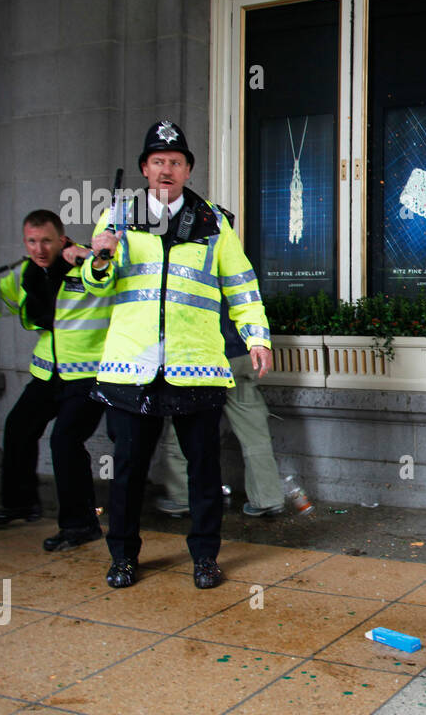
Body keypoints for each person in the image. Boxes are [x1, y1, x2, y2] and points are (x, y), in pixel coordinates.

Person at [84, 120, 271, 590]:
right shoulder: (117, 217)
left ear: (188, 169)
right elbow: (94, 285)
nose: (166, 169)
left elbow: (241, 284)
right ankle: (123, 557)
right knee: (126, 471)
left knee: (204, 470)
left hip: (197, 365)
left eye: (176, 162)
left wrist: (257, 338)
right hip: (133, 366)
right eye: (157, 161)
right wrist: (101, 257)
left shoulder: (214, 222)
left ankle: (205, 557)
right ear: (145, 169)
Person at [0, 210, 109, 552]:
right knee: (18, 426)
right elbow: (0, 304)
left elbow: (116, 277)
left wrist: (92, 256)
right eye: (31, 241)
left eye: (46, 240)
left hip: (89, 374)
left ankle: (81, 525)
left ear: (62, 239)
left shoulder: (86, 266)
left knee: (64, 442)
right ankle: (20, 503)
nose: (39, 248)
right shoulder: (26, 273)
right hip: (48, 372)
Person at [152, 299, 285, 518]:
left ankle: (182, 497)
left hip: (203, 360)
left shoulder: (187, 272)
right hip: (241, 356)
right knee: (254, 433)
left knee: (181, 431)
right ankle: (267, 499)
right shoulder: (233, 269)